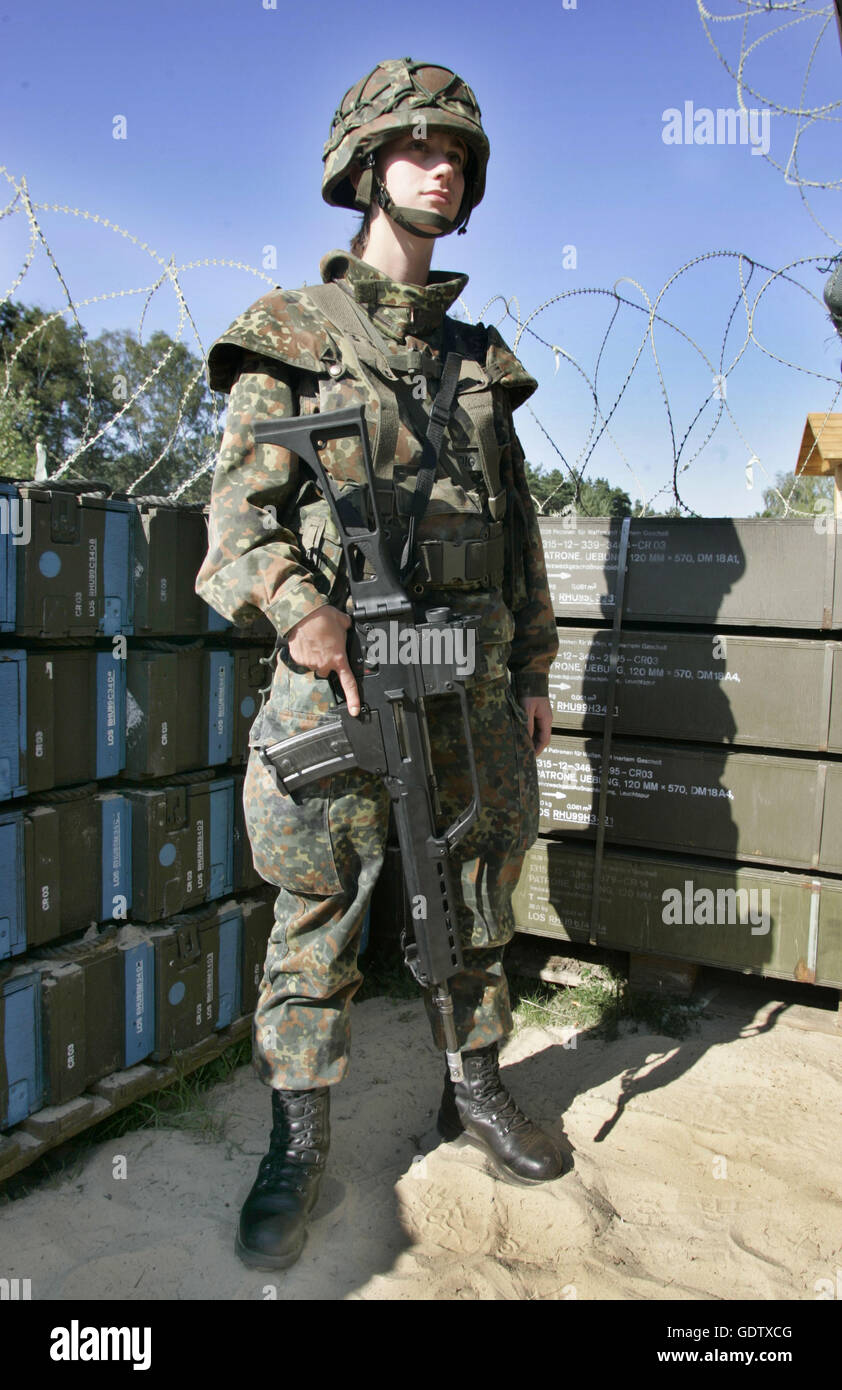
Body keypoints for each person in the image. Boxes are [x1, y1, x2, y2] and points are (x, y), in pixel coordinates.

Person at [196, 57, 563, 1273]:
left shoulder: (479, 365)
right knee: (318, 918)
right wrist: (306, 616)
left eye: (458, 152)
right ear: (363, 168)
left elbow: (513, 539)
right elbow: (235, 533)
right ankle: (297, 1144)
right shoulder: (290, 340)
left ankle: (473, 1085)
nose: (442, 166)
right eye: (418, 147)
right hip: (344, 681)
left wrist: (531, 669)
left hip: (465, 677)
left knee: (475, 897)